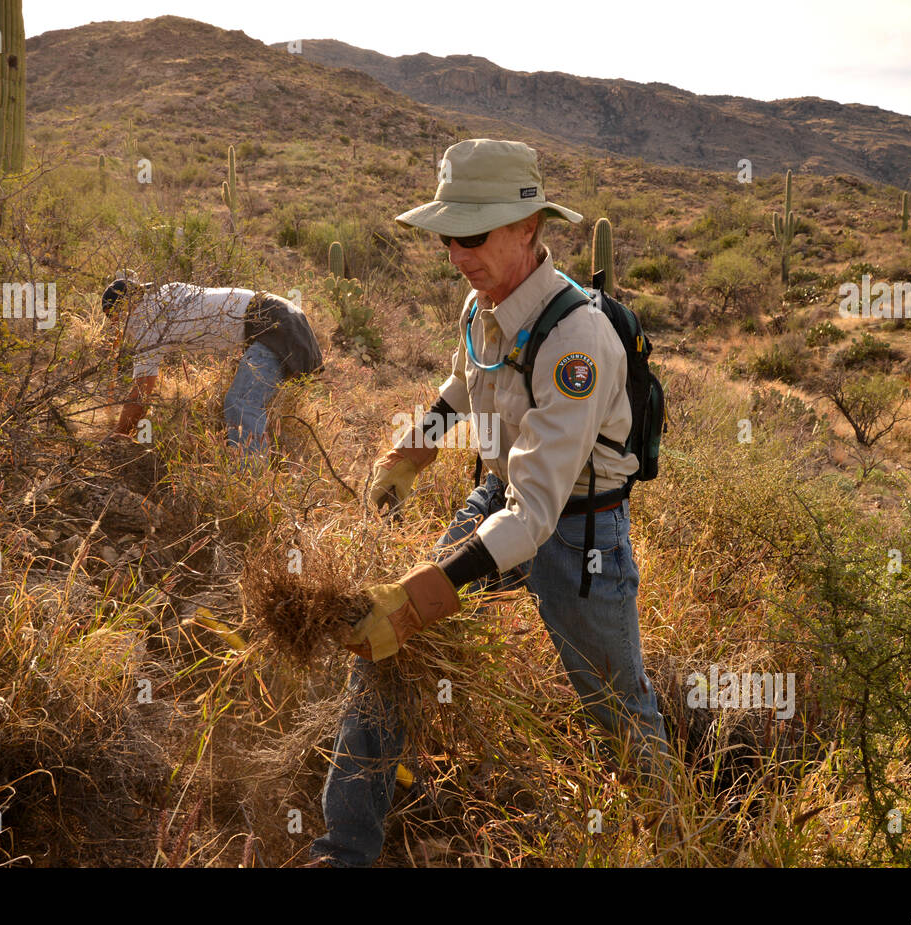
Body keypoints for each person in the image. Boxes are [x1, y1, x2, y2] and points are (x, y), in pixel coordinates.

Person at [310, 138, 670, 867]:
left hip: (577, 537)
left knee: (616, 707)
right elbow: (460, 387)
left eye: (471, 235)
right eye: (447, 234)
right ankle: (342, 851)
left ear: (529, 227)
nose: (455, 252)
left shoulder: (578, 341)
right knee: (384, 653)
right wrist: (411, 451)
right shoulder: (482, 306)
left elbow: (537, 514)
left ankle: (672, 837)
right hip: (498, 500)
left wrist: (424, 593)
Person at [101, 278, 322, 448]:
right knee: (246, 402)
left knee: (242, 403)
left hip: (274, 325)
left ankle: (248, 479)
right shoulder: (164, 293)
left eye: (115, 318)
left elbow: (141, 394)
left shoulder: (147, 323)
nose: (118, 326)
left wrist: (116, 437)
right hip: (281, 314)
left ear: (128, 306)